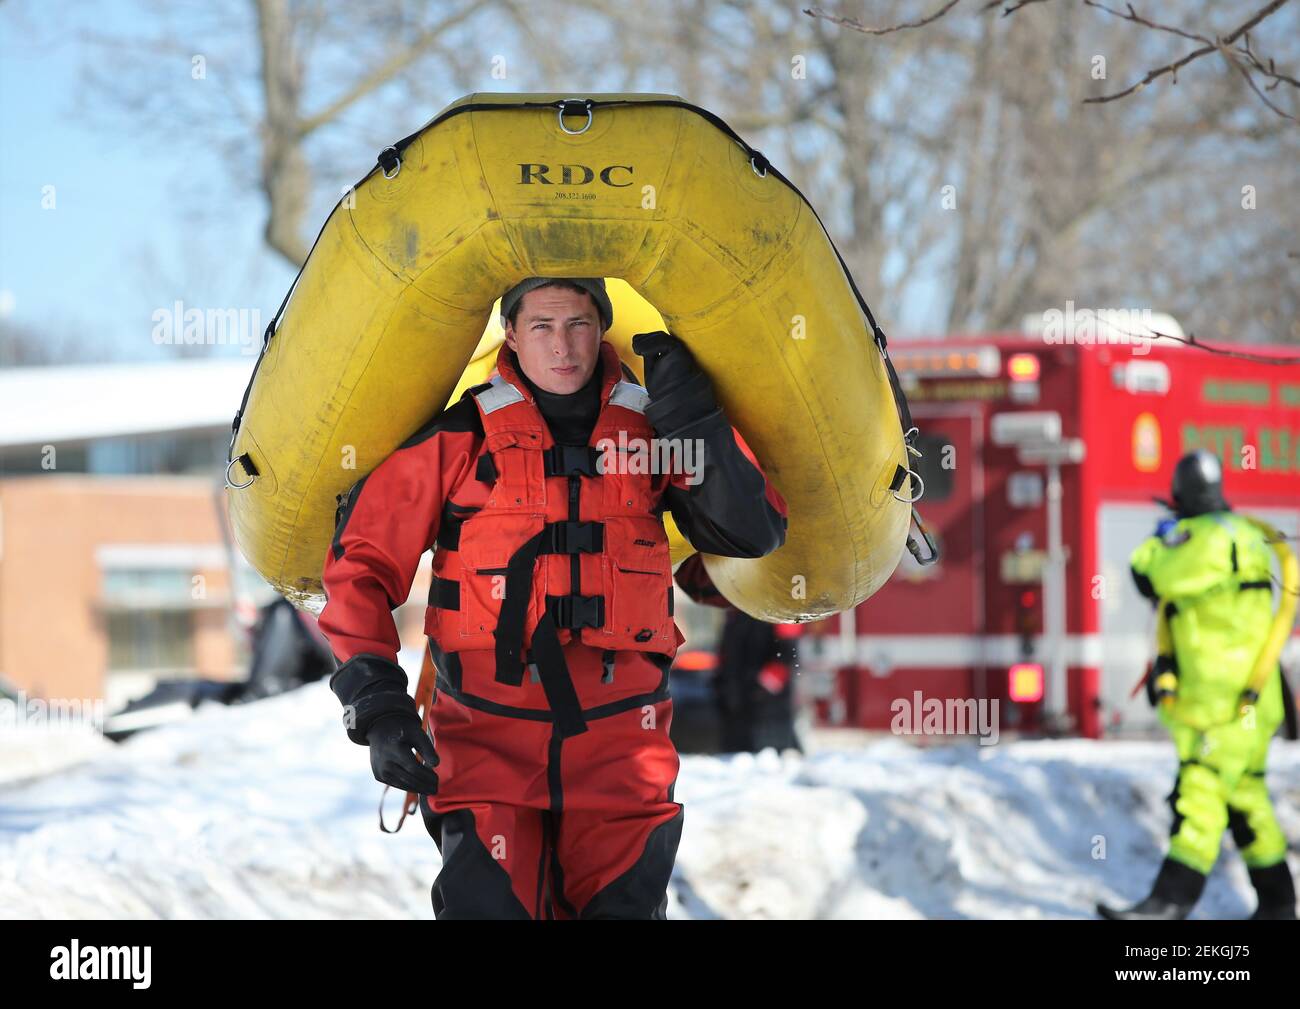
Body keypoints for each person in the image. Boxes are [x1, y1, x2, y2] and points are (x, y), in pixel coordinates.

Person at [318, 277, 788, 919]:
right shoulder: (460, 439)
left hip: (623, 753)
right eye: (542, 326)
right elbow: (359, 565)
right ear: (510, 334)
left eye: (579, 325)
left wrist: (696, 418)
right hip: (485, 745)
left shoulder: (656, 428)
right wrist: (377, 705)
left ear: (603, 329)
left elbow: (752, 530)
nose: (562, 347)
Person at [1098, 450, 1297, 920]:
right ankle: (1279, 904)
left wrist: (1163, 534)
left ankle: (1169, 902)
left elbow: (1147, 574)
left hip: (1218, 703)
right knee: (1248, 800)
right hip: (1254, 697)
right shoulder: (1248, 534)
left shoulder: (1198, 541)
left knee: (1200, 794)